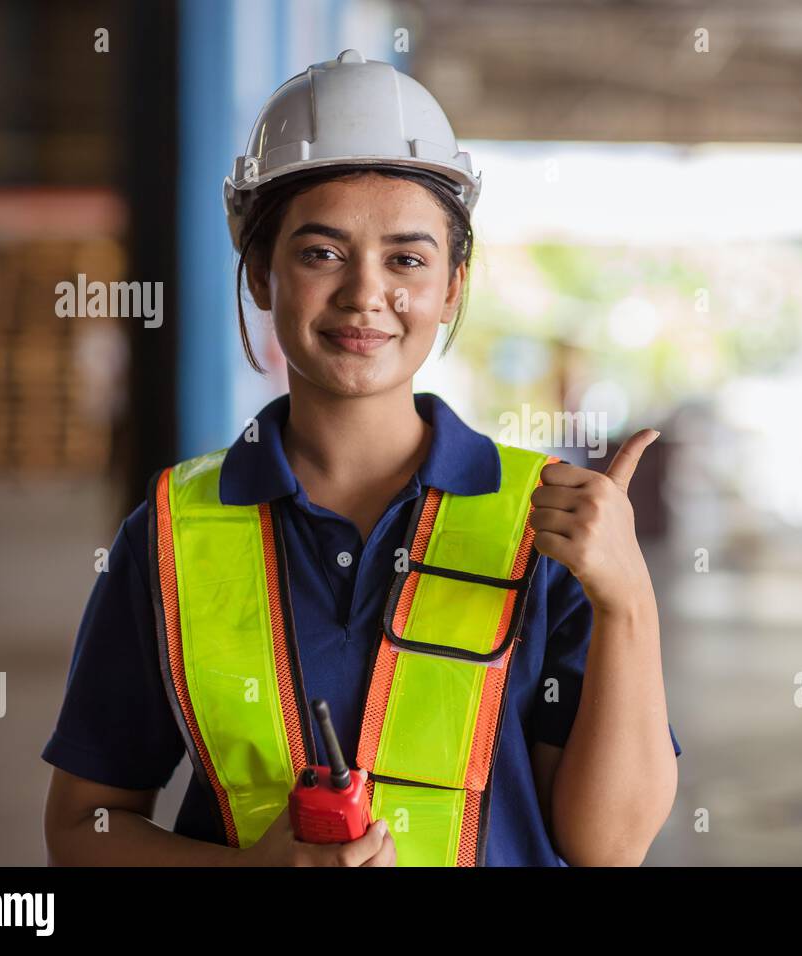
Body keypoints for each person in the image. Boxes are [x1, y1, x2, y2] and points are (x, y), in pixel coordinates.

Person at [41, 51, 680, 867]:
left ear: (452, 285)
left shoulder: (546, 522)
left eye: (407, 259)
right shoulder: (173, 531)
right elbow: (81, 828)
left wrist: (627, 598)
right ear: (263, 276)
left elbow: (609, 848)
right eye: (321, 253)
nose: (365, 294)